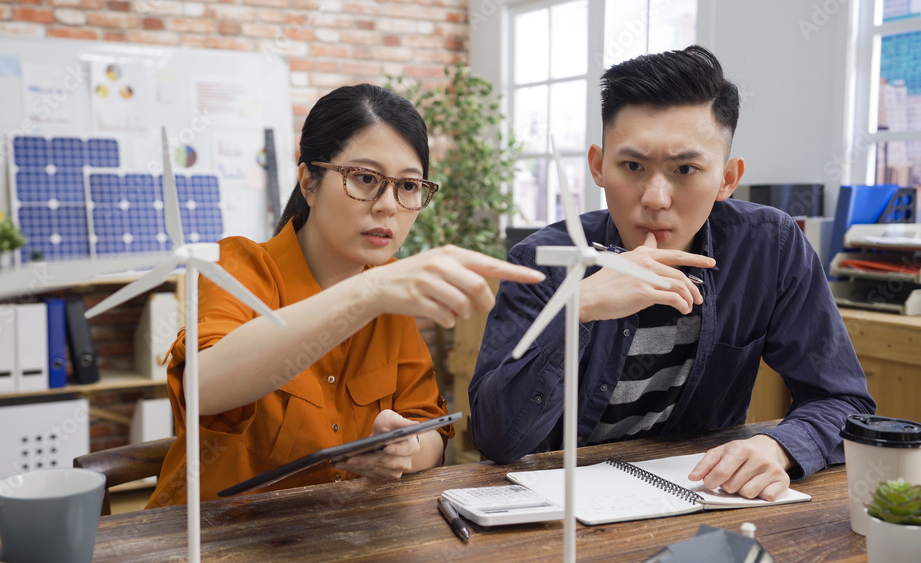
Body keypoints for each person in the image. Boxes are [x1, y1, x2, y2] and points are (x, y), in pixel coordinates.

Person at [469, 46, 875, 501]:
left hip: (703, 501)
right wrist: (576, 311)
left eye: (685, 169)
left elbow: (844, 401)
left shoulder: (769, 246)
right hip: (554, 509)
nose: (656, 198)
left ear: (726, 178)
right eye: (633, 166)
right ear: (599, 167)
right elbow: (496, 439)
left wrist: (778, 445)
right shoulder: (544, 259)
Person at [147, 84, 544, 507]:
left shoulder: (391, 289)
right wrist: (367, 292)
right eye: (366, 178)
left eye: (408, 186)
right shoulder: (240, 267)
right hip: (215, 540)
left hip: (344, 535)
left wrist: (404, 450)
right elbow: (205, 386)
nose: (388, 205)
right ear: (309, 183)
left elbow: (431, 430)